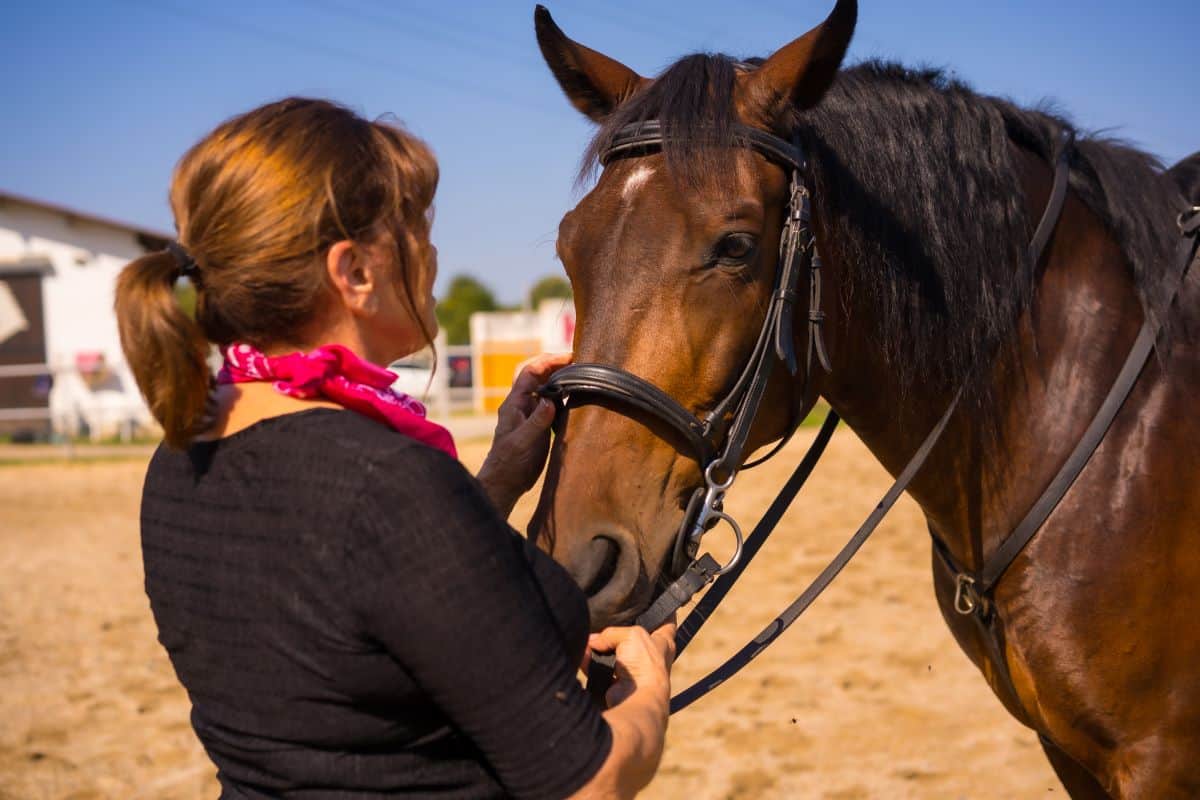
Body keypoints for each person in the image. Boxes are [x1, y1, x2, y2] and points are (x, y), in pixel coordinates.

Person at [114, 97, 675, 799]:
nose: (435, 253)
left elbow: (360, 602)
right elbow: (589, 781)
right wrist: (648, 690)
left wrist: (495, 477)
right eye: (415, 228)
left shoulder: (183, 455)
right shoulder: (386, 483)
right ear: (353, 274)